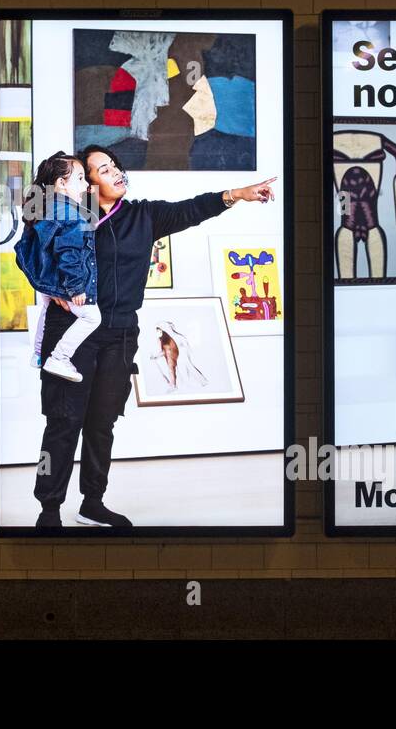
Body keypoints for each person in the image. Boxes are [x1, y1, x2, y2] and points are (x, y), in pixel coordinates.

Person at [33, 144, 276, 528]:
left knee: (102, 422)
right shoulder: (66, 216)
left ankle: (91, 503)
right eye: (101, 170)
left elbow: (190, 209)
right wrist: (52, 290)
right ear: (87, 183)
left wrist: (238, 195)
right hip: (73, 334)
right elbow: (33, 254)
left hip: (120, 334)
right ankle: (49, 510)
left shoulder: (142, 216)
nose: (114, 172)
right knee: (64, 421)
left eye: (114, 165)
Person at [13, 152, 102, 383]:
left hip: (45, 280)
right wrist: (75, 288)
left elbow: (29, 245)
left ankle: (38, 355)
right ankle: (59, 357)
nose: (86, 184)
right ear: (62, 183)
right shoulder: (73, 215)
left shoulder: (43, 206)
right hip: (63, 281)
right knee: (92, 318)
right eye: (81, 178)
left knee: (44, 308)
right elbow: (69, 254)